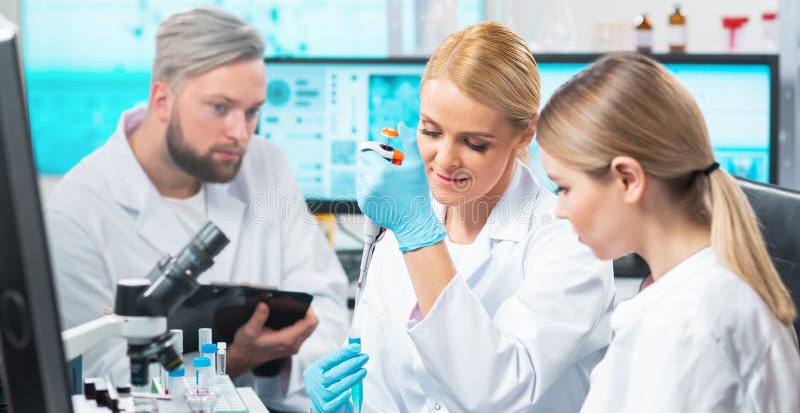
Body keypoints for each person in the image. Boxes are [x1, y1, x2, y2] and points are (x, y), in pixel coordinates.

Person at [45, 6, 349, 411]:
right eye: (220, 108)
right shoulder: (77, 213)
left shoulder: (264, 163)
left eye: (252, 111)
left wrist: (272, 361)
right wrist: (236, 361)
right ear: (162, 99)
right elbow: (105, 381)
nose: (241, 133)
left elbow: (328, 306)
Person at [304, 21, 616, 412]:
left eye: (474, 143)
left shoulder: (569, 245)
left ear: (524, 134)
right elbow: (383, 389)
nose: (445, 160)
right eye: (430, 132)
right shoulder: (399, 235)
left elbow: (495, 393)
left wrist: (419, 236)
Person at [535, 52, 800, 412]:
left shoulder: (685, 325)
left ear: (628, 179)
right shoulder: (704, 292)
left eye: (564, 188)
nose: (559, 210)